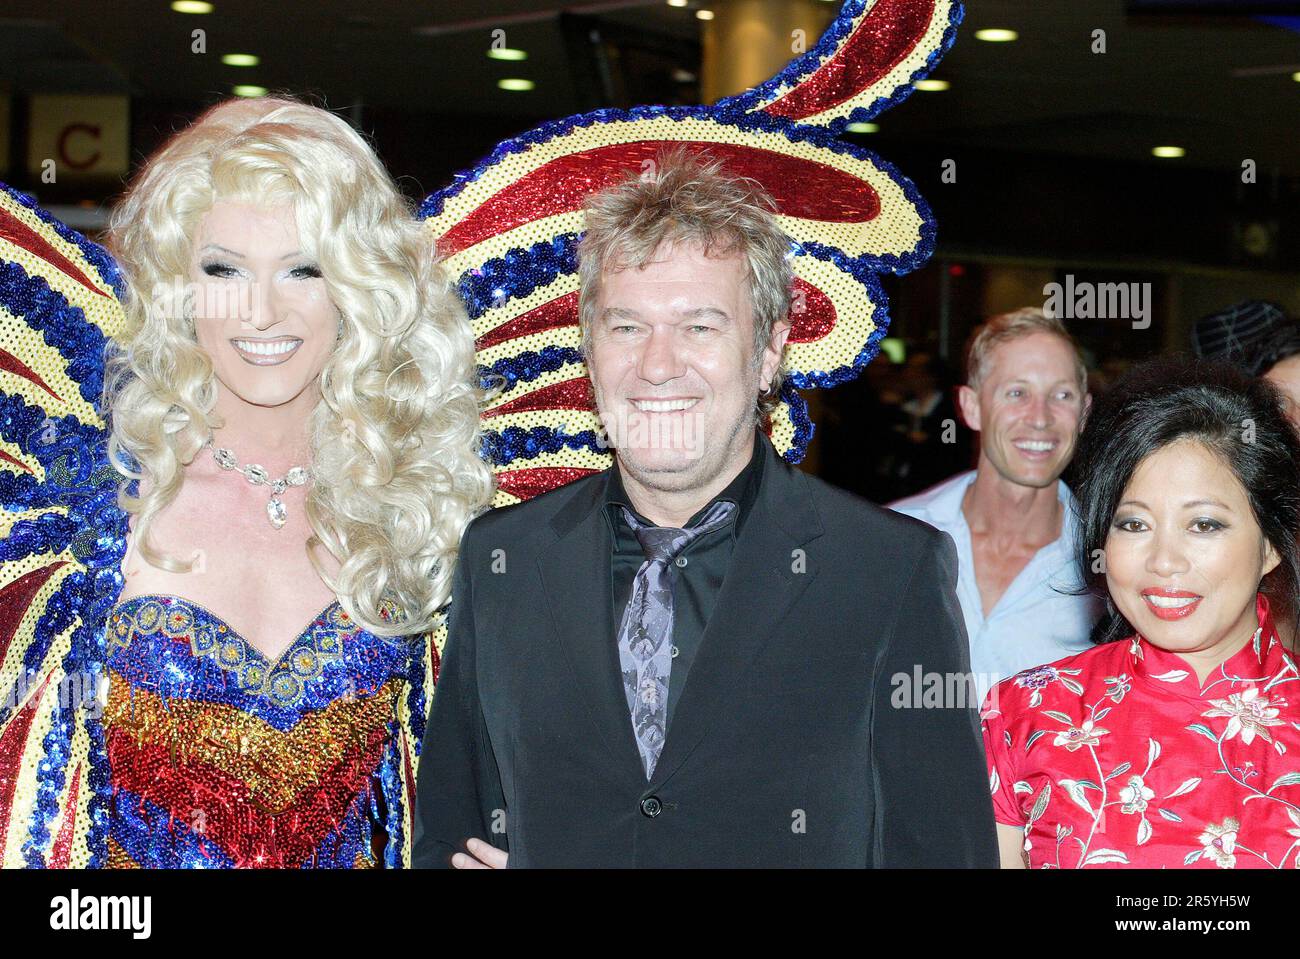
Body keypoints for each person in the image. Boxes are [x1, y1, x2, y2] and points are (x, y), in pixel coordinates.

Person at [412, 150, 997, 869]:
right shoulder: (504, 558)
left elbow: (944, 855)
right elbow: (448, 832)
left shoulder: (886, 568)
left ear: (769, 352)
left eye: (699, 327)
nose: (658, 365)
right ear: (589, 352)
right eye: (627, 327)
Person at [0, 97, 492, 867]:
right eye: (223, 268)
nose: (260, 311)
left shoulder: (420, 499)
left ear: (358, 286)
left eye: (303, 269)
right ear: (178, 285)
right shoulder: (92, 503)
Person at [983, 357, 1300, 869]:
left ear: (1270, 545)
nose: (1164, 562)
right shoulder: (1025, 713)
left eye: (1204, 525)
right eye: (1133, 525)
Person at [891, 309, 1103, 702]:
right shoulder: (898, 537)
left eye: (1061, 395)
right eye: (1017, 393)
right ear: (971, 407)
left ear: (1084, 413)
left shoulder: (1109, 568)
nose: (1040, 418)